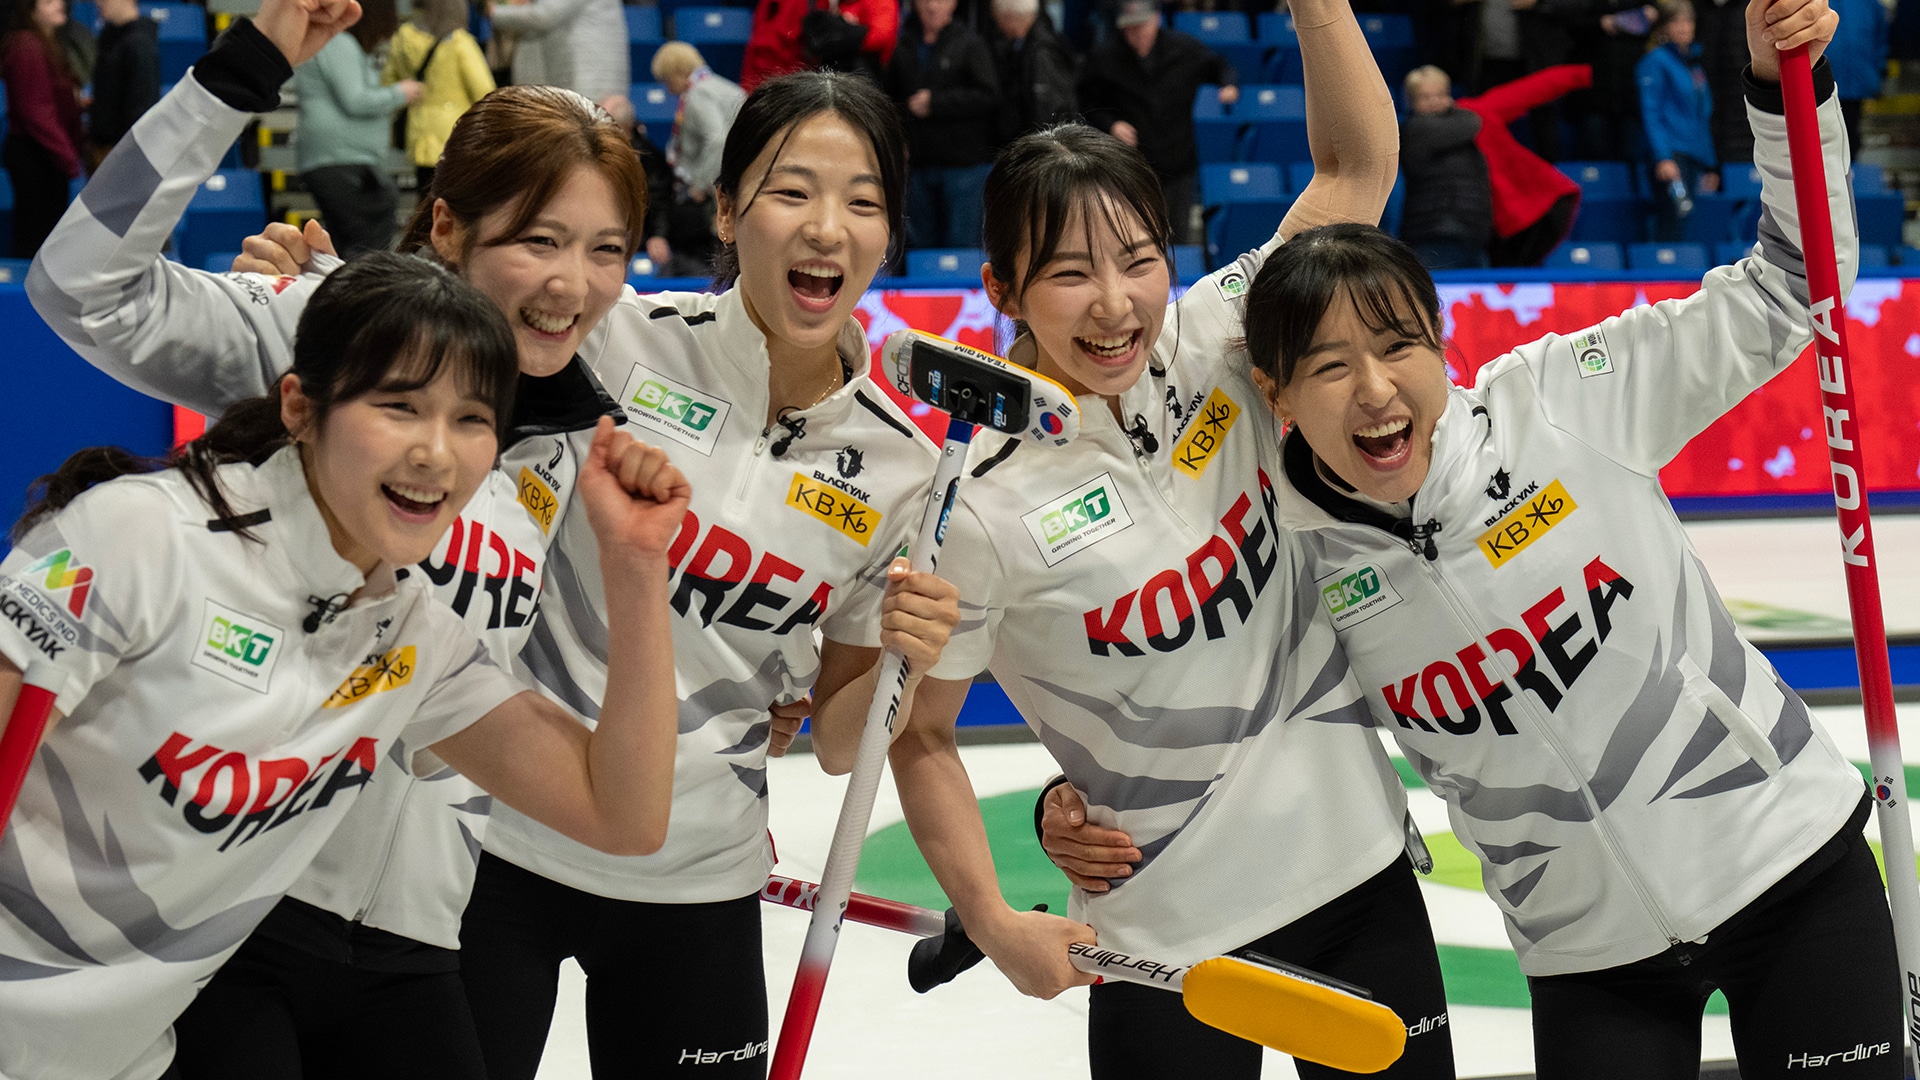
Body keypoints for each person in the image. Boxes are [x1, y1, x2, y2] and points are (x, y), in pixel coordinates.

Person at [42, 4, 963, 1070]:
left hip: (427, 925)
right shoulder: (359, 343)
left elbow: (659, 722)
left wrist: (812, 670)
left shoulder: (569, 440)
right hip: (250, 899)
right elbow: (85, 291)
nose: (571, 283)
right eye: (538, 240)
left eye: (605, 250)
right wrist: (242, 77)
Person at [1056, 2, 1905, 1076]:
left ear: (1443, 340)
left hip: (1789, 873)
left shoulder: (1564, 401)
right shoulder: (1287, 549)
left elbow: (1792, 288)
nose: (1376, 392)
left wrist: (1784, 95)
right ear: (1274, 393)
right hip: (1590, 959)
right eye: (1329, 367)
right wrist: (1068, 806)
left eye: (1399, 346)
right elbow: (1203, 701)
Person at [888, 1, 1458, 1077]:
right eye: (1069, 273)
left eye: (1139, 259)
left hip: (1358, 883)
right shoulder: (975, 502)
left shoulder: (1220, 332)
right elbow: (918, 735)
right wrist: (994, 920)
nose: (1116, 305)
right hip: (1162, 947)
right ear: (1001, 288)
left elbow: (1357, 167)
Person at [0, 249, 689, 1080]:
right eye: (400, 407)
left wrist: (635, 565)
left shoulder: (411, 635)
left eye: (472, 419)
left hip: (117, 1060)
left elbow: (622, 816)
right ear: (300, 406)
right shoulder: (140, 538)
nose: (437, 453)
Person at [1078, 0, 1239, 246]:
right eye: (1129, 29)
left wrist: (1228, 85)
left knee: (1178, 238)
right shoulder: (1104, 58)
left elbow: (1220, 66)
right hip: (1132, 166)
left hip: (1178, 162)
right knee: (1133, 237)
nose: (1135, 35)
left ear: (1156, 20)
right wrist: (1111, 124)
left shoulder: (1184, 49)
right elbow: (1085, 101)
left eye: (1141, 27)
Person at [295, 0, 423, 256]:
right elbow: (355, 100)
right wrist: (400, 93)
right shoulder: (339, 43)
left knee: (351, 246)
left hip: (340, 159)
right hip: (341, 160)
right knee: (366, 246)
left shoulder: (340, 44)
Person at [886, 0, 1000, 250]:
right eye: (925, 0)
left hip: (962, 166)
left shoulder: (970, 43)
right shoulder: (905, 43)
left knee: (961, 244)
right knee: (919, 245)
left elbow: (989, 95)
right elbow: (891, 98)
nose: (931, 6)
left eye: (939, 0)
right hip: (918, 164)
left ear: (953, 4)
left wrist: (936, 103)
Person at [645, 41, 744, 276]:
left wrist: (700, 185)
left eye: (667, 80)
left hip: (713, 195)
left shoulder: (699, 93)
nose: (668, 90)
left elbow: (717, 141)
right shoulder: (726, 87)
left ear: (678, 71)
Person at [2, 0, 84, 257]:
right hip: (37, 157)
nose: (59, 4)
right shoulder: (27, 46)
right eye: (48, 1)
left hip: (46, 154)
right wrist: (68, 158)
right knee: (38, 241)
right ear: (31, 10)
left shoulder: (47, 43)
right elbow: (36, 112)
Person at [385, 0, 493, 195]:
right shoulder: (460, 42)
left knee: (425, 194)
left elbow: (389, 81)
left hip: (418, 131)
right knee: (453, 196)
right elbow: (485, 91)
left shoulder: (403, 37)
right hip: (455, 134)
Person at [1639, 0, 1719, 241]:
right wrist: (1663, 157)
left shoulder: (1693, 64)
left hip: (1695, 156)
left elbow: (1703, 114)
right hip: (1672, 155)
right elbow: (1651, 111)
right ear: (1663, 27)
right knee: (1672, 222)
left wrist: (1711, 164)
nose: (1684, 27)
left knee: (1689, 225)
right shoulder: (1655, 61)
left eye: (1688, 21)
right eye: (1676, 22)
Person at [1399, 65, 1492, 270]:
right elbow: (1470, 122)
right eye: (1425, 97)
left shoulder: (1463, 134)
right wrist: (1467, 116)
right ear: (1411, 101)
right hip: (1433, 233)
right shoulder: (1414, 130)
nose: (1435, 102)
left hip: (1471, 231)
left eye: (1440, 95)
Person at [485, 0, 628, 108]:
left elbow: (543, 16)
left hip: (589, 84)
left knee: (586, 132)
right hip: (571, 85)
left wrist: (493, 11)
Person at [741, 0, 898, 90]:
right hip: (780, 79)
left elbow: (880, 37)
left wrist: (846, 30)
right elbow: (770, 43)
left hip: (861, 80)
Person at [987, 0, 1078, 148]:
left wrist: (1039, 150)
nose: (998, 27)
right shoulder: (1026, 45)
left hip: (1043, 146)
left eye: (997, 19)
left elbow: (1051, 109)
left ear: (1010, 17)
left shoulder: (1042, 52)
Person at [85, 0, 158, 171]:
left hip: (120, 156)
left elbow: (140, 109)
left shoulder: (139, 44)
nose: (97, 2)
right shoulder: (108, 35)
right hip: (102, 148)